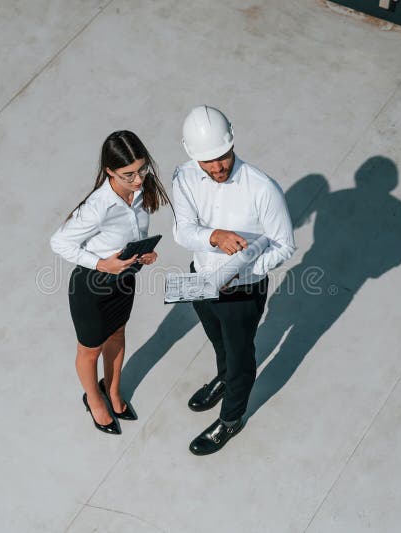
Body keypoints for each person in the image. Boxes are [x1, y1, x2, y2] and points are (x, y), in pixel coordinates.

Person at [171, 106, 296, 455]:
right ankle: (223, 379)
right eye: (207, 162)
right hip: (201, 278)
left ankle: (231, 419)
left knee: (241, 355)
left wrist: (246, 272)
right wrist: (214, 237)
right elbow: (183, 231)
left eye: (222, 157)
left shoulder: (262, 188)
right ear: (192, 155)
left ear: (232, 144)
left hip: (243, 289)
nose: (217, 167)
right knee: (218, 340)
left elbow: (285, 245)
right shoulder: (182, 178)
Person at [50, 130, 170, 435]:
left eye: (142, 169)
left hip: (124, 281)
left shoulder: (142, 190)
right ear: (109, 171)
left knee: (117, 335)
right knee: (90, 350)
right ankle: (94, 399)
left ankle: (113, 391)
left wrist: (143, 253)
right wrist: (103, 263)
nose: (138, 180)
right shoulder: (97, 207)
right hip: (92, 287)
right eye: (128, 174)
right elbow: (59, 243)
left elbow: (133, 231)